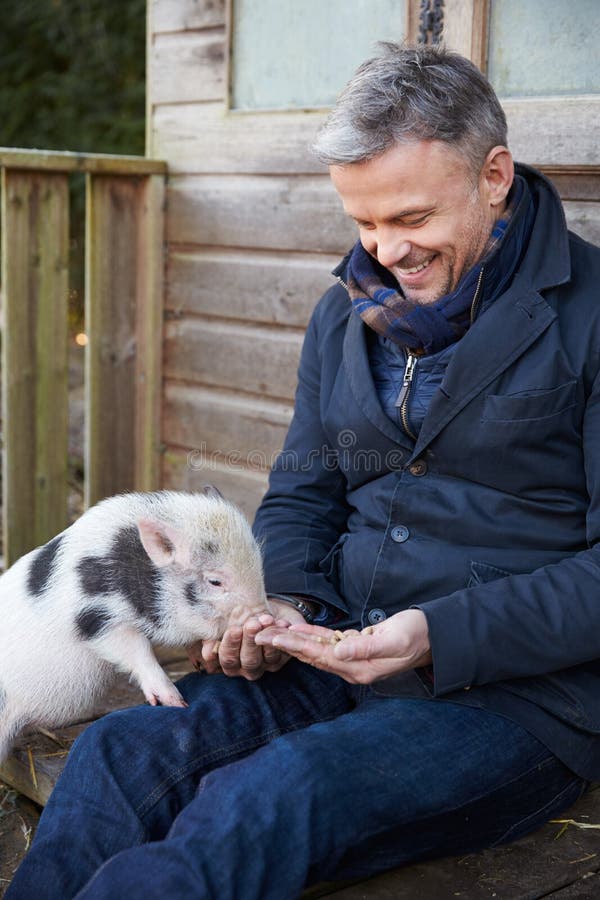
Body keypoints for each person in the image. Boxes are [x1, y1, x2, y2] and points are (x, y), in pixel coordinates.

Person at [7, 42, 600, 900]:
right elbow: (301, 494)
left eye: (410, 218)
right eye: (362, 223)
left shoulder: (589, 315)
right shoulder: (342, 316)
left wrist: (437, 631)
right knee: (119, 751)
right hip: (328, 651)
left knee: (271, 797)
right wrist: (281, 605)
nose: (385, 251)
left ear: (495, 174)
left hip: (511, 702)